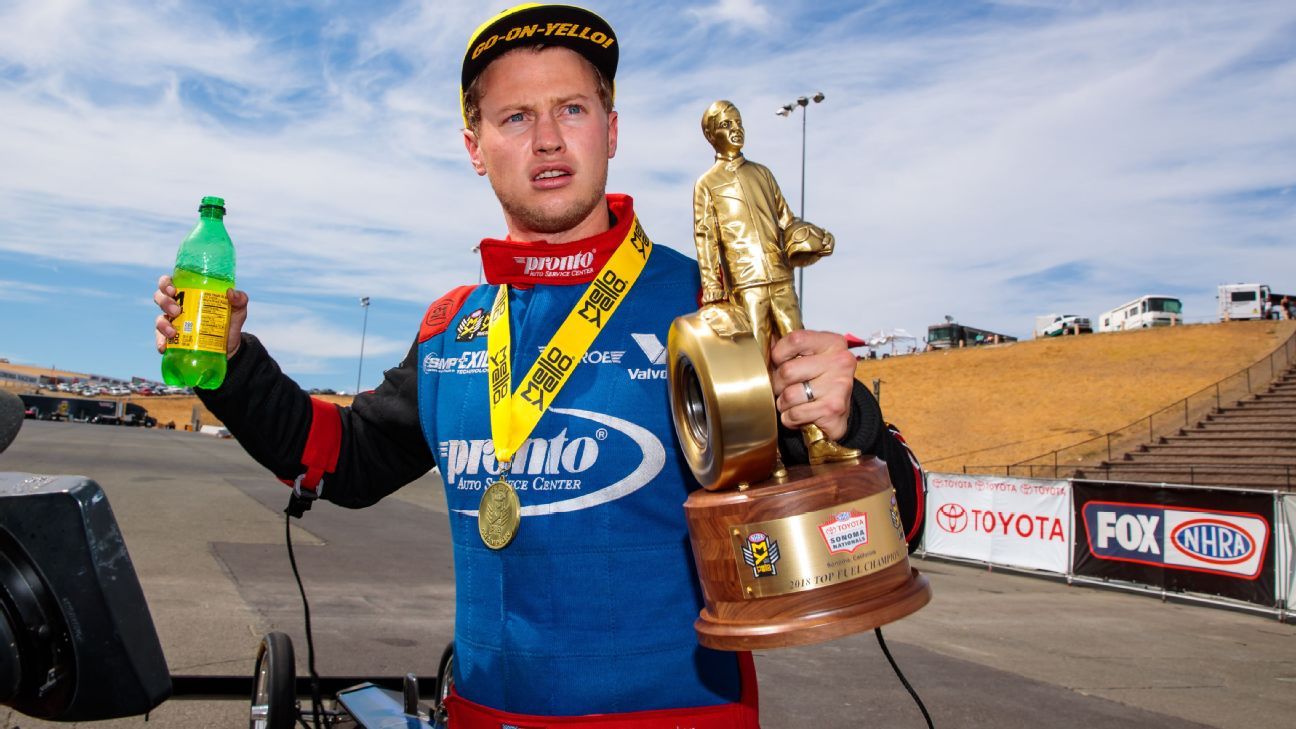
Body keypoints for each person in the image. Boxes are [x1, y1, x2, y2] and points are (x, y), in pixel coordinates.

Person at [153, 4, 923, 726]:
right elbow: (343, 458)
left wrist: (848, 424)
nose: (548, 139)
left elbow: (899, 515)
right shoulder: (453, 327)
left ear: (611, 130)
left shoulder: (708, 303)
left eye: (572, 109)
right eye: (516, 117)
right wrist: (231, 366)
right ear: (474, 147)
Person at [693, 100, 859, 466]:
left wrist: (814, 240)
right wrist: (712, 286)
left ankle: (817, 440)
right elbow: (705, 237)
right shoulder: (708, 184)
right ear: (711, 135)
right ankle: (770, 453)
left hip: (781, 278)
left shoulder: (763, 173)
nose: (735, 127)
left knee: (799, 358)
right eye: (725, 123)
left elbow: (787, 220)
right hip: (745, 286)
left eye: (737, 120)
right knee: (754, 370)